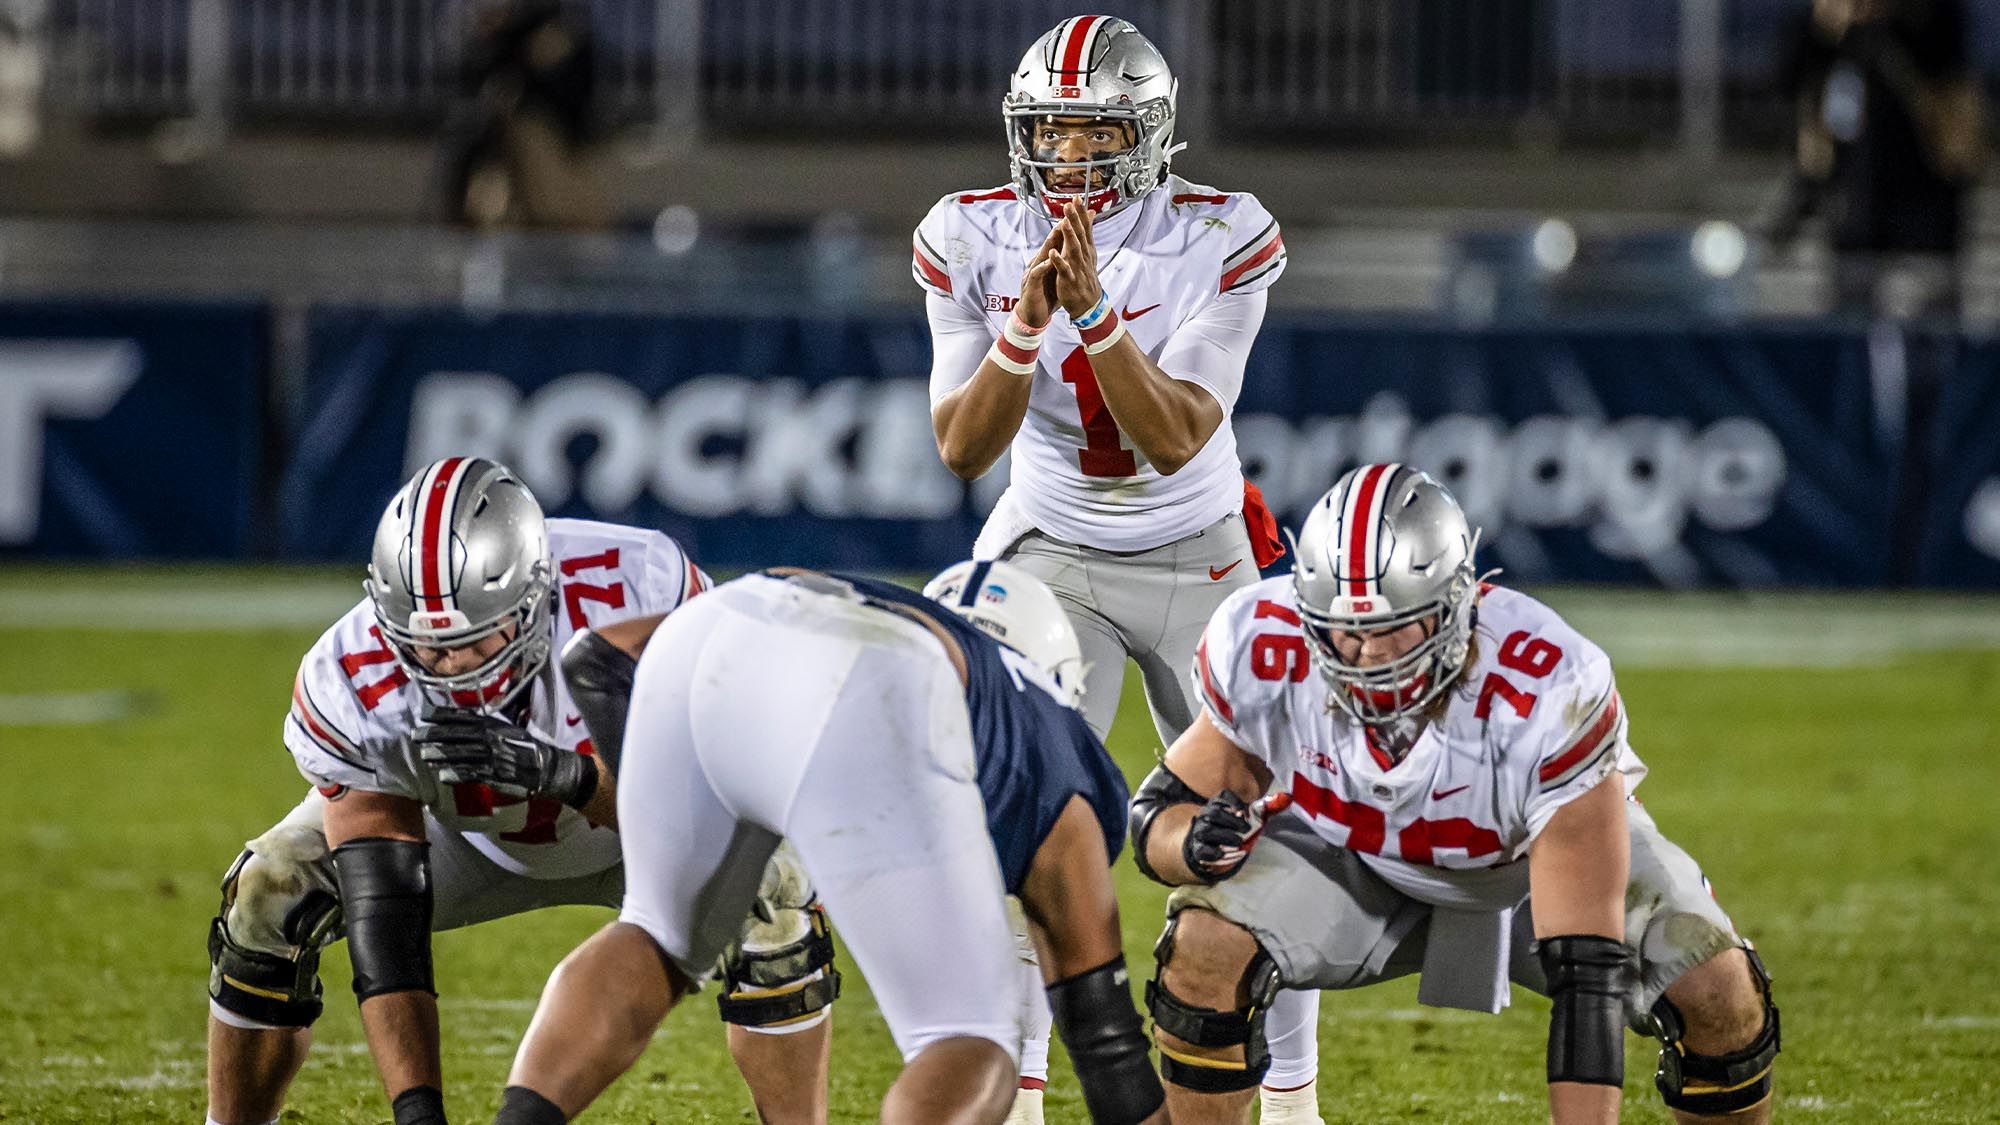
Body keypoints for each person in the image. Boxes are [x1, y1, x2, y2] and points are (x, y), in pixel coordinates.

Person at [914, 16, 1319, 1119]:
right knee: (1023, 822)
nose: (1068, 161)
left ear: (1146, 135)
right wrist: (1019, 332)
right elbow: (959, 447)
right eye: (1049, 134)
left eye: (1095, 135)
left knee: (1255, 828)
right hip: (1051, 552)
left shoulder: (1221, 233)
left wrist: (1091, 317)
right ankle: (1022, 1095)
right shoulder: (968, 234)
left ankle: (1287, 1099)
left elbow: (1178, 433)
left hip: (1199, 551)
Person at [1128, 463, 1782, 1125]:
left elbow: (1588, 978)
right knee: (1203, 942)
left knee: (1719, 989)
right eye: (1345, 631)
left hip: (1527, 869)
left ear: (1456, 603)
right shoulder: (1265, 641)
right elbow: (1156, 814)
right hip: (1356, 857)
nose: (1366, 656)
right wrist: (1192, 843)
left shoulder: (1550, 685)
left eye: (1395, 626)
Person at [203, 457, 838, 1125]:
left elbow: (705, 804)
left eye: (474, 642)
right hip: (461, 838)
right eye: (426, 649)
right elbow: (386, 918)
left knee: (774, 891)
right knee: (270, 888)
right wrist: (419, 1112)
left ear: (538, 593)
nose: (450, 670)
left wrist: (562, 774)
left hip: (633, 831)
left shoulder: (640, 585)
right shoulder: (353, 676)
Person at [488, 561, 1166, 1125]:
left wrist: (706, 837)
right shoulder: (1057, 746)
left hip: (714, 628)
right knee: (968, 1034)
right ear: (1060, 681)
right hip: (874, 684)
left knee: (656, 933)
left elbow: (600, 658)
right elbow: (1104, 1035)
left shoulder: (913, 621)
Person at [1773, 0, 1988, 317]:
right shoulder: (1833, 23)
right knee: (1850, 320)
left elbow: (1948, 65)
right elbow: (1788, 81)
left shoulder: (1930, 16)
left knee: (1933, 324)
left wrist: (1890, 21)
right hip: (1856, 199)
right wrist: (1824, 30)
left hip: (1925, 199)